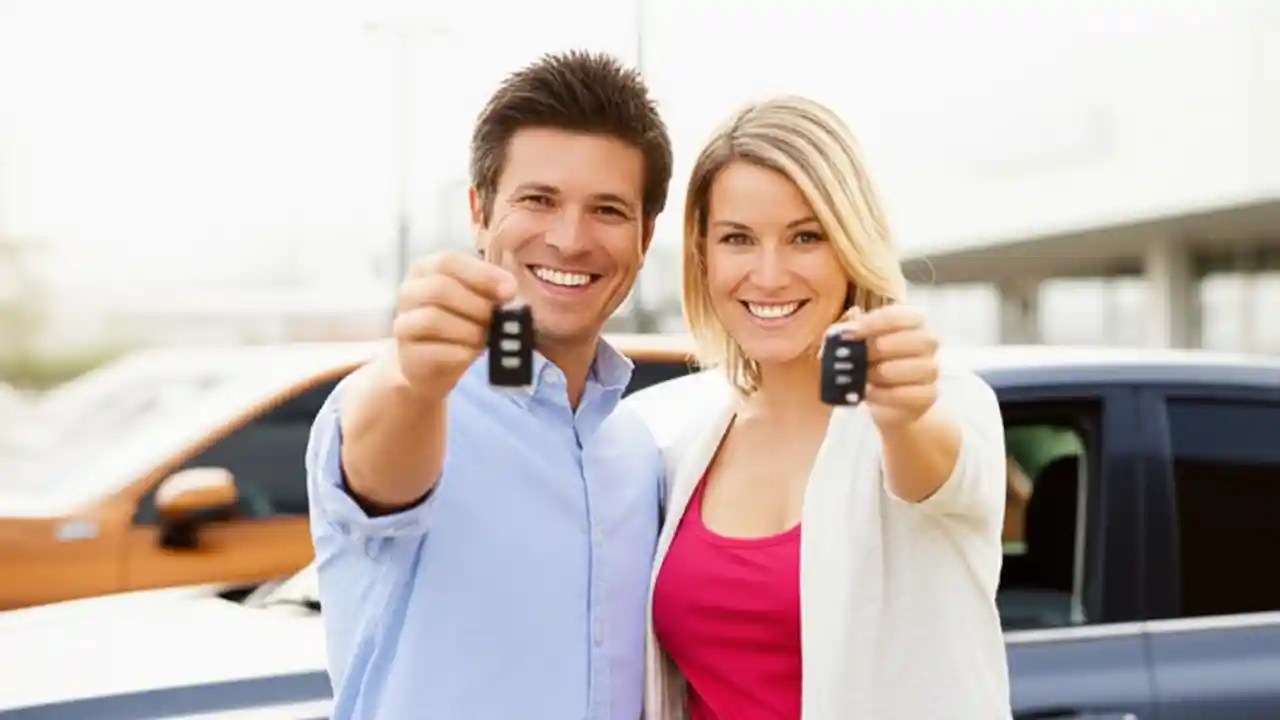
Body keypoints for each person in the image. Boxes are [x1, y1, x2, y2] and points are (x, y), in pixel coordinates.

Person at [304, 50, 674, 719]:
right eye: (538, 200)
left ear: (645, 237)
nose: (569, 238)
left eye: (608, 211)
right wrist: (416, 380)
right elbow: (383, 471)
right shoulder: (403, 400)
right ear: (479, 212)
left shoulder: (639, 453)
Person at [629, 96, 1012, 718]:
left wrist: (904, 415)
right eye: (738, 239)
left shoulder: (941, 405)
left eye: (805, 237)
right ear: (702, 254)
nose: (770, 274)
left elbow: (934, 470)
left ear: (849, 245)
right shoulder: (683, 445)